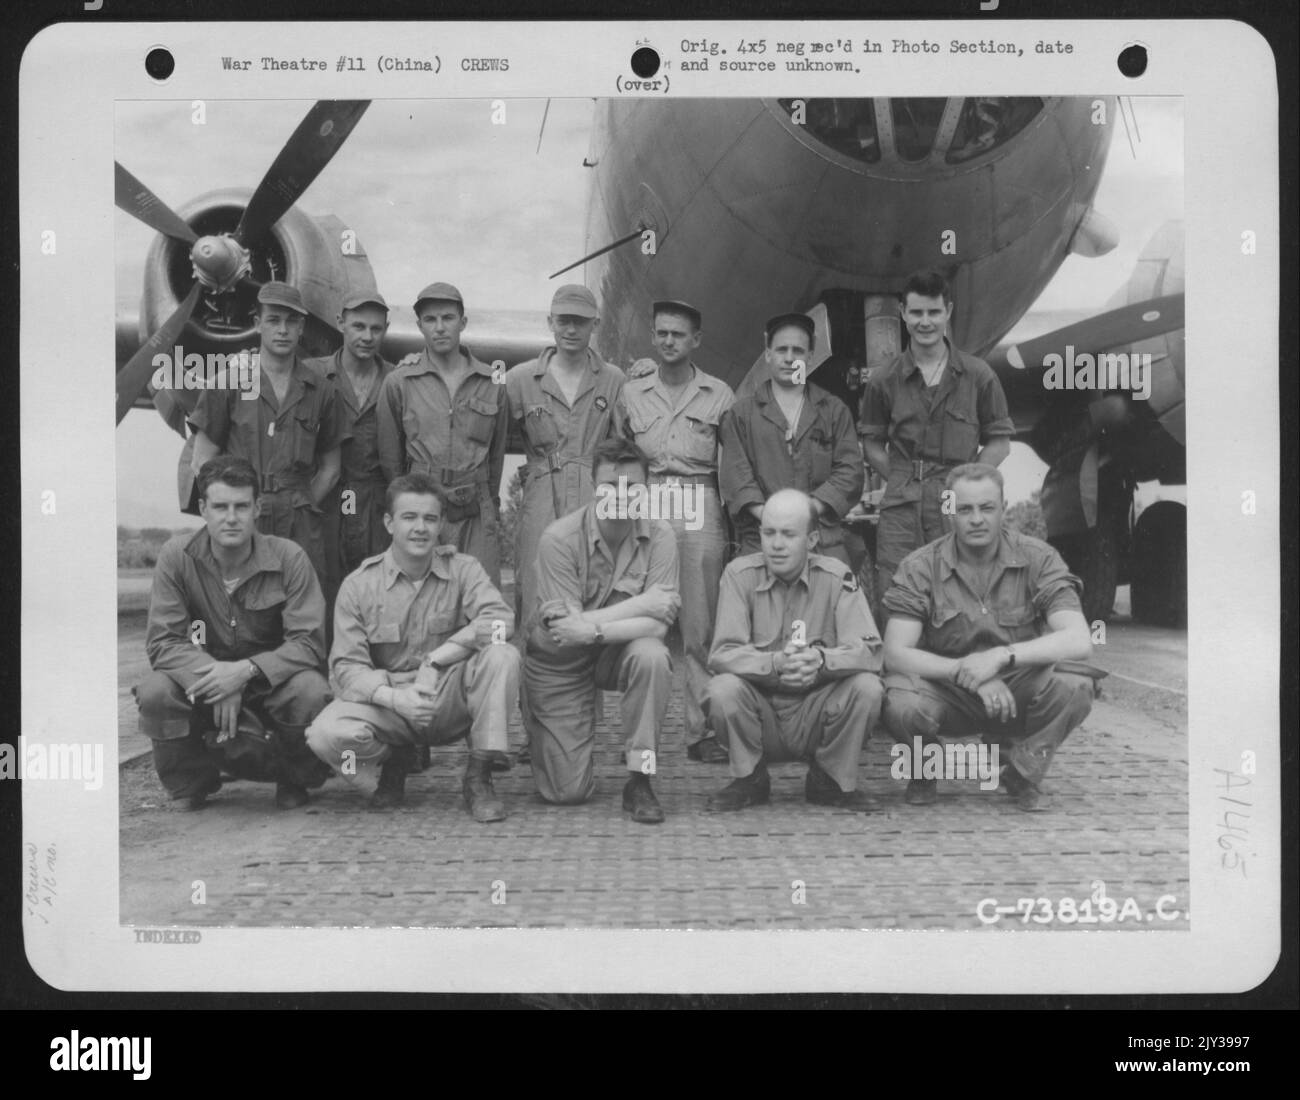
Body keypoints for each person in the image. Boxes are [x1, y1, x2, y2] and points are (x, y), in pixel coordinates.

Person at [880, 463, 1096, 811]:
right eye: (965, 509)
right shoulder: (921, 566)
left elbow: (1079, 640)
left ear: (1003, 507)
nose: (977, 519)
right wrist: (968, 672)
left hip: (1016, 689)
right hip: (949, 691)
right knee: (898, 701)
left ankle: (1023, 771)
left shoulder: (1038, 558)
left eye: (987, 508)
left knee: (1076, 684)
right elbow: (895, 653)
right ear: (949, 509)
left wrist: (1000, 657)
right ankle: (924, 767)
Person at [305, 474, 520, 819]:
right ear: (389, 523)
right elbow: (346, 668)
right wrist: (395, 699)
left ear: (440, 526)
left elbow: (501, 623)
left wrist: (436, 659)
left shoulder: (464, 570)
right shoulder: (358, 586)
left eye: (430, 519)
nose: (420, 528)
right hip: (391, 704)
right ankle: (392, 763)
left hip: (448, 696)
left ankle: (479, 774)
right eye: (409, 517)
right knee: (324, 736)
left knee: (502, 654)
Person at [136, 456, 332, 810]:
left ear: (257, 508)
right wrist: (218, 679)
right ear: (203, 509)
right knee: (156, 691)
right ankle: (190, 783)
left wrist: (243, 673)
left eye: (241, 506)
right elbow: (163, 641)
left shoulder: (289, 558)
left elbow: (308, 643)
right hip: (203, 685)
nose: (231, 517)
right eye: (220, 506)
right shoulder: (176, 557)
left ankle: (294, 778)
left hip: (270, 685)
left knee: (311, 690)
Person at [521, 438, 680, 823]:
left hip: (615, 652)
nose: (622, 496)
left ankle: (640, 777)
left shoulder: (661, 536)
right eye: (611, 487)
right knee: (566, 792)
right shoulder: (558, 539)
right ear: (595, 488)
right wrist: (642, 604)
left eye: (632, 487)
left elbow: (658, 627)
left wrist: (592, 629)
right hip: (559, 662)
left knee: (652, 656)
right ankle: (543, 725)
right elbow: (564, 632)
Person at [704, 490, 884, 813]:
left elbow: (871, 652)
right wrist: (774, 663)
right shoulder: (738, 575)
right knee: (721, 690)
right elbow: (722, 653)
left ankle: (829, 781)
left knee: (868, 689)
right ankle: (750, 779)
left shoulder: (837, 576)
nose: (776, 544)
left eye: (788, 534)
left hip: (817, 710)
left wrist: (822, 661)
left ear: (812, 539)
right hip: (763, 711)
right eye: (769, 533)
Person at [858, 269, 1014, 612]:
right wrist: (902, 477)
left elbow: (1000, 443)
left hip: (954, 501)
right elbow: (871, 444)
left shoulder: (978, 375)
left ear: (948, 311)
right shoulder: (884, 381)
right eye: (916, 313)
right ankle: (903, 666)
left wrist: (966, 483)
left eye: (933, 312)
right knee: (897, 593)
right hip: (901, 506)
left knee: (962, 590)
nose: (924, 322)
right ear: (902, 313)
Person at [623, 299, 736, 764]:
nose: (669, 341)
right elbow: (619, 454)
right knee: (642, 619)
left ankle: (701, 729)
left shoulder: (719, 394)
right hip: (649, 499)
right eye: (662, 333)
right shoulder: (633, 393)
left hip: (698, 498)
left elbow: (733, 460)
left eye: (678, 334)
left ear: (696, 341)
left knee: (699, 623)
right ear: (653, 336)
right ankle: (637, 733)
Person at [188, 281, 347, 581]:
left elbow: (331, 469)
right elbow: (202, 462)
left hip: (299, 522)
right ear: (258, 324)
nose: (283, 330)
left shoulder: (322, 391)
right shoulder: (228, 382)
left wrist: (300, 503)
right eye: (274, 320)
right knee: (239, 608)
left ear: (302, 328)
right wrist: (232, 510)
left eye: (292, 322)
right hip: (243, 514)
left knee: (302, 608)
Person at [504, 284, 628, 630]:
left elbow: (623, 445)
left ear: (595, 325)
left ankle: (590, 677)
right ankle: (535, 677)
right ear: (550, 322)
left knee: (593, 584)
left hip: (594, 490)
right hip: (542, 491)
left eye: (580, 322)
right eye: (563, 321)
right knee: (535, 581)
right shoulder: (521, 379)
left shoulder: (613, 379)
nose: (571, 330)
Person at [377, 282, 509, 588]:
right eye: (430, 320)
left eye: (447, 318)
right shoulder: (400, 382)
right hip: (422, 502)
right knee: (422, 595)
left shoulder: (492, 382)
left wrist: (488, 503)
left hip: (475, 506)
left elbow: (497, 452)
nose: (439, 328)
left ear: (462, 323)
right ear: (419, 326)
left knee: (481, 596)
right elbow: (390, 457)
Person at [719, 312, 864, 567]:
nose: (788, 358)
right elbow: (736, 476)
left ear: (810, 355)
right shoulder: (741, 415)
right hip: (762, 541)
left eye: (797, 351)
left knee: (834, 597)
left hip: (822, 540)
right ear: (768, 353)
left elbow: (850, 471)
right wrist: (771, 518)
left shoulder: (833, 410)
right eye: (781, 350)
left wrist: (807, 512)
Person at [304, 291, 394, 608]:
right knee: (322, 594)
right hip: (327, 500)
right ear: (341, 323)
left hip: (377, 503)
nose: (367, 337)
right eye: (358, 326)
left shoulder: (398, 381)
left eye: (376, 329)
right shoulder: (310, 375)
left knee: (378, 595)